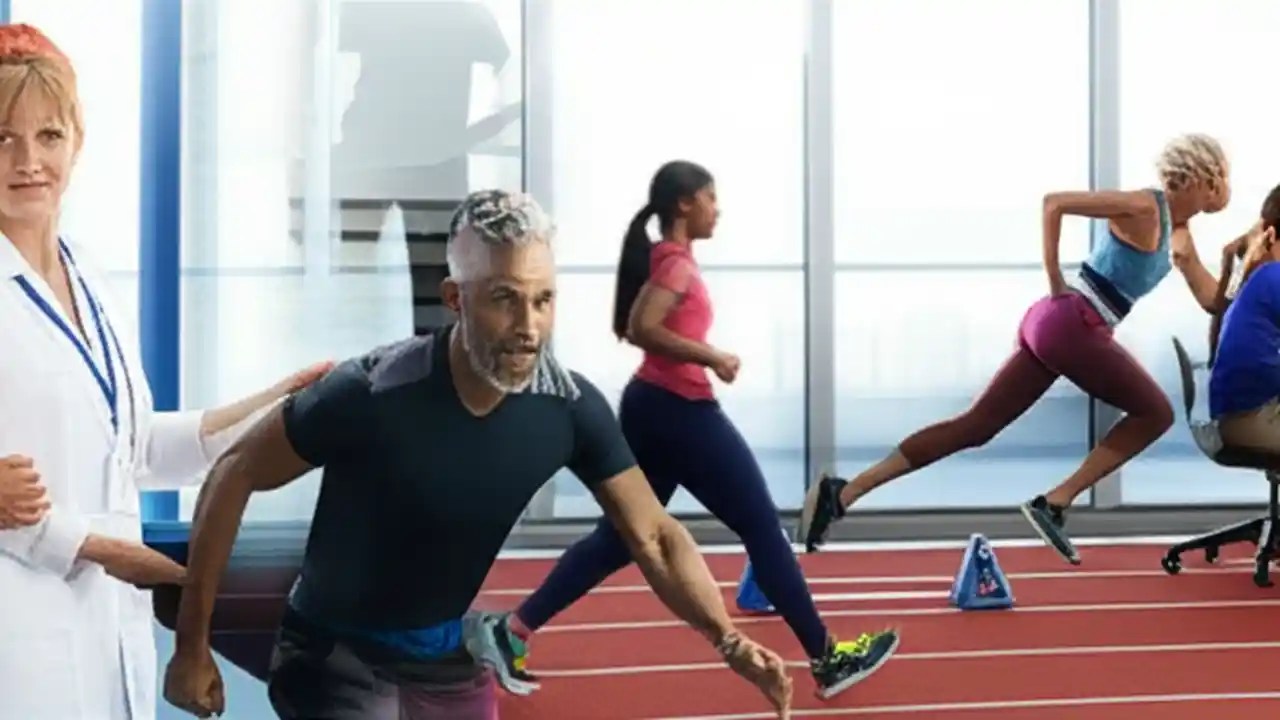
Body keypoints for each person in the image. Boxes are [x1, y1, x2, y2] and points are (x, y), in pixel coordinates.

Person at [161, 189, 794, 720]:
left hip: (443, 654)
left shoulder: (569, 406)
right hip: (332, 655)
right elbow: (234, 470)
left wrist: (729, 639)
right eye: (504, 298)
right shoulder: (373, 390)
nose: (529, 325)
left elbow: (654, 535)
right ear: (455, 298)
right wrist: (192, 647)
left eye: (543, 300)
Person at [474, 161, 900, 702]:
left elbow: (640, 327)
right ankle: (827, 658)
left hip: (654, 407)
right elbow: (641, 328)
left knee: (619, 537)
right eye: (710, 198)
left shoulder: (669, 260)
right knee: (762, 528)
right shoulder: (674, 265)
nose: (717, 209)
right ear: (684, 204)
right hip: (678, 409)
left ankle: (511, 631)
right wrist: (712, 355)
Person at [0, 24, 330, 720]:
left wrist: (277, 401)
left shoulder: (88, 273)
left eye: (48, 136)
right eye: (2, 138)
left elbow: (139, 445)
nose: (28, 160)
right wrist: (102, 551)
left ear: (77, 143)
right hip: (19, 636)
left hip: (112, 634)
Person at [799, 133, 1245, 565]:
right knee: (1156, 413)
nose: (1225, 189)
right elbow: (1056, 203)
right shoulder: (1145, 206)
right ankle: (1055, 503)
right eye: (1222, 177)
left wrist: (1234, 263)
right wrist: (1055, 280)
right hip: (1071, 321)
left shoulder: (1179, 234)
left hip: (1060, 326)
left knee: (976, 426)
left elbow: (1212, 302)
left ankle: (844, 493)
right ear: (1203, 178)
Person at [1209, 184, 1280, 450]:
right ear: (1271, 236)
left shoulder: (1258, 280)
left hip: (1241, 419)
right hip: (1254, 421)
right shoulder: (1274, 277)